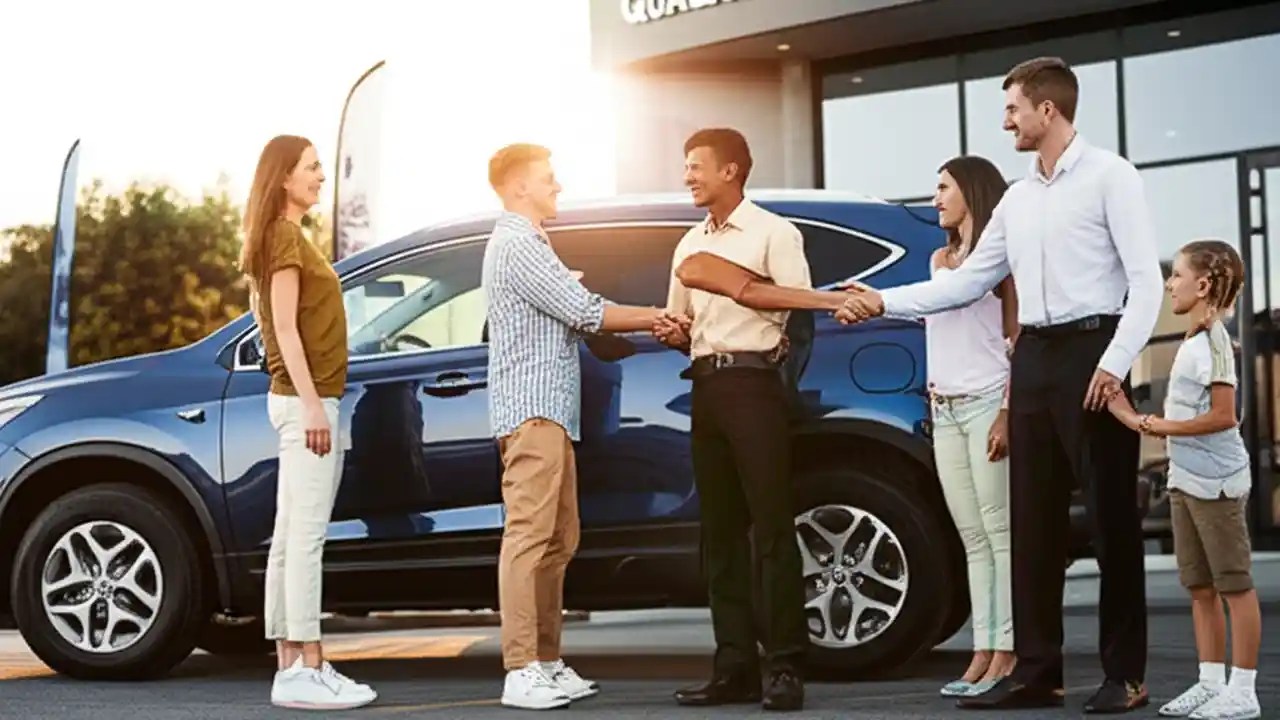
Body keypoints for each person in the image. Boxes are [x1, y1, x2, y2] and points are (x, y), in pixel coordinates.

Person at [838, 57, 1164, 713]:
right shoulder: (1017, 199)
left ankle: (1124, 675)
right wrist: (883, 301)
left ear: (1048, 110)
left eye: (1013, 108)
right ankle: (1038, 673)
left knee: (1109, 524)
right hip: (1035, 359)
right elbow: (965, 282)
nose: (1005, 120)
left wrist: (1116, 361)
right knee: (1033, 526)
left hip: (1094, 353)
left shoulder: (1110, 177)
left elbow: (1147, 281)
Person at [482, 142, 668, 710]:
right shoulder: (517, 245)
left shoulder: (534, 244)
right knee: (530, 538)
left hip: (553, 414)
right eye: (548, 179)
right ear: (518, 188)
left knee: (559, 541)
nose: (557, 187)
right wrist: (659, 317)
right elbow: (584, 309)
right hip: (532, 412)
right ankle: (521, 668)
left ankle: (546, 660)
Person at [654, 128, 809, 713]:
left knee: (772, 529)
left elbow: (798, 310)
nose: (688, 175)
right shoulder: (688, 244)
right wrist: (675, 334)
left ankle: (786, 667)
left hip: (755, 387)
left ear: (732, 171)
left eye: (697, 166)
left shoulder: (774, 233)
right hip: (706, 387)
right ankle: (734, 667)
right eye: (686, 165)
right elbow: (683, 321)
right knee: (718, 536)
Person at [239, 134, 377, 710]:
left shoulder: (277, 237)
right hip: (307, 401)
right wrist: (315, 402)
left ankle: (290, 666)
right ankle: (308, 667)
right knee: (306, 540)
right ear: (285, 178)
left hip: (297, 399)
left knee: (289, 539)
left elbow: (270, 324)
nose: (321, 175)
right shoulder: (285, 237)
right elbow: (286, 329)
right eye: (312, 168)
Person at [1106, 240, 1262, 720]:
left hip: (1217, 483)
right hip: (1186, 480)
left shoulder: (1216, 342)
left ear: (1204, 285)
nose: (1170, 283)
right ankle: (1210, 682)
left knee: (1233, 586)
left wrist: (1146, 425)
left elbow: (1223, 417)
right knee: (1199, 586)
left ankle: (1244, 691)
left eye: (1177, 275)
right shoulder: (1194, 341)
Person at [921, 156, 1020, 698]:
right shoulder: (939, 258)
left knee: (1000, 534)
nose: (936, 198)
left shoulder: (1000, 263)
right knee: (972, 538)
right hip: (945, 409)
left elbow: (1016, 341)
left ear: (972, 194)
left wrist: (1007, 410)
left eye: (943, 188)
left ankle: (1007, 652)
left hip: (987, 405)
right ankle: (981, 651)